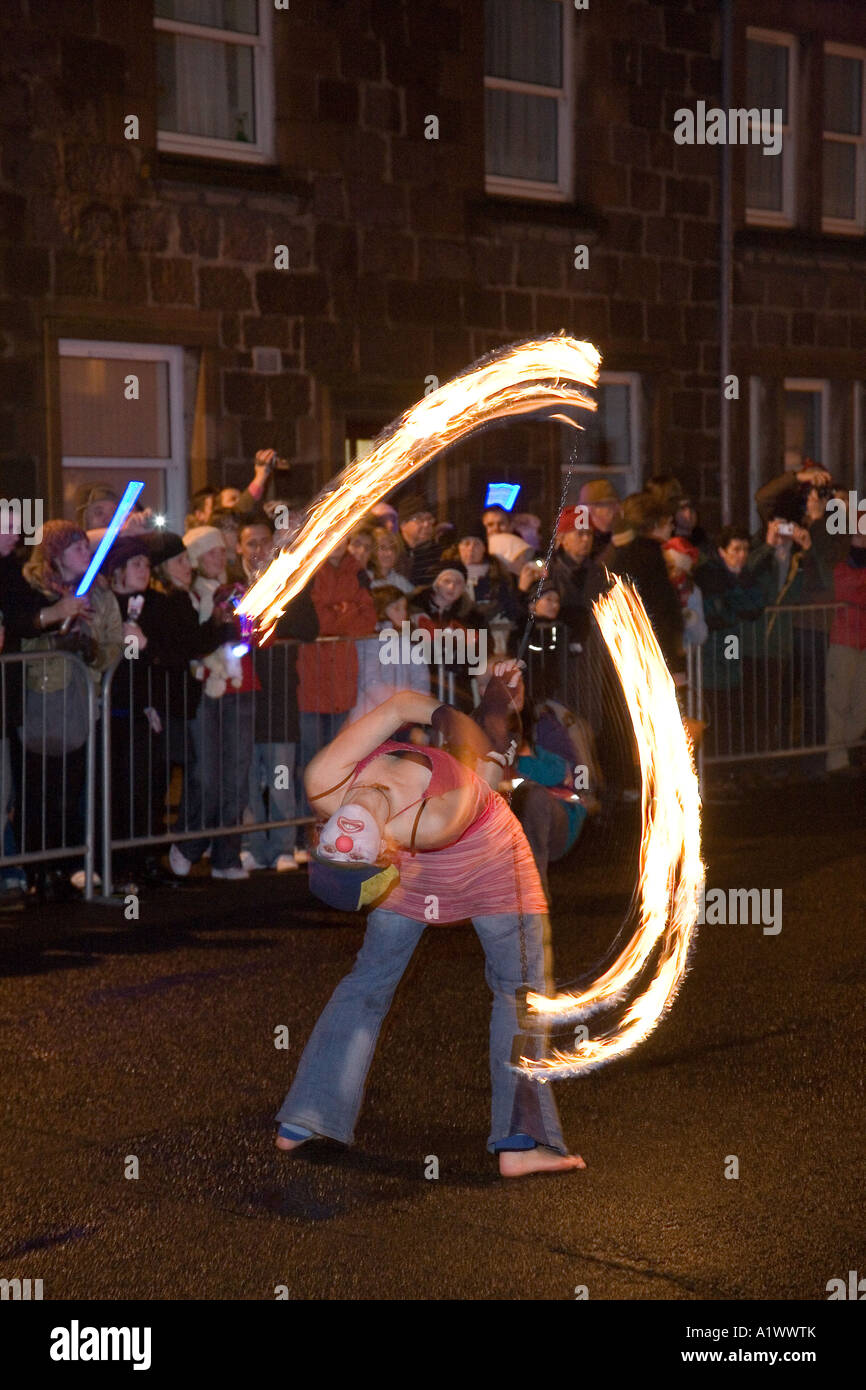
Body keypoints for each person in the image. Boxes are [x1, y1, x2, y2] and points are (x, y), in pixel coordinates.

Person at [274, 663, 586, 1177]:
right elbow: (482, 762)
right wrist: (494, 703)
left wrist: (450, 710)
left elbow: (397, 708)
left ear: (320, 833)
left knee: (497, 985)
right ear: (385, 852)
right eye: (357, 854)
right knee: (517, 987)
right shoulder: (431, 822)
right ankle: (521, 1141)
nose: (347, 839)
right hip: (483, 855)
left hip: (448, 853)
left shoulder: (325, 782)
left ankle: (308, 1117)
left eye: (335, 846)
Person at [238, 515, 320, 872]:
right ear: (240, 548)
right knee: (247, 774)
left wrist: (273, 613)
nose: (258, 549)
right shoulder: (230, 585)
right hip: (242, 694)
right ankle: (252, 844)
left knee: (281, 771)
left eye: (263, 541)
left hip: (280, 692)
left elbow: (308, 628)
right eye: (251, 543)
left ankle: (284, 844)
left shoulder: (288, 584)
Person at [296, 538, 378, 855]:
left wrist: (336, 614)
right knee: (308, 765)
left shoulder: (356, 572)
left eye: (347, 537)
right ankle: (303, 836)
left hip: (341, 686)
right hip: (312, 683)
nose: (341, 543)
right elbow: (314, 622)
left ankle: (329, 834)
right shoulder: (309, 572)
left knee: (338, 767)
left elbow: (367, 620)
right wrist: (344, 611)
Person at [348, 585, 431, 722]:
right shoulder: (370, 638)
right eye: (396, 608)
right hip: (371, 715)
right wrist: (397, 707)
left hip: (401, 714)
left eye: (404, 608)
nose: (403, 613)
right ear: (380, 609)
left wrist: (418, 701)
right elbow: (369, 679)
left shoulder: (407, 637)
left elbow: (420, 673)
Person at [825, 528, 866, 774]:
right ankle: (836, 760)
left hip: (860, 642)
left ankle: (840, 750)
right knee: (838, 703)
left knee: (861, 706)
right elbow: (843, 590)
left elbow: (854, 593)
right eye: (859, 537)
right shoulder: (840, 566)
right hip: (843, 641)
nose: (863, 542)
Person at [397, 494, 443, 587]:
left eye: (429, 519)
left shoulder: (436, 554)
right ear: (403, 524)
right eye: (419, 519)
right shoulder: (392, 553)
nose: (426, 524)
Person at [482, 505, 533, 575]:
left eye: (501, 524)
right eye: (490, 525)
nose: (496, 529)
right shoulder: (478, 555)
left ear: (511, 526)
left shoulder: (523, 554)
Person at [578, 479, 621, 559]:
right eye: (609, 504)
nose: (616, 508)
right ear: (591, 509)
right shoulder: (583, 542)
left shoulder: (618, 534)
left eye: (616, 503)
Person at [369, 527, 414, 595]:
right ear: (372, 550)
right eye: (383, 548)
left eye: (392, 548)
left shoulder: (402, 584)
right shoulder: (364, 579)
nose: (389, 553)